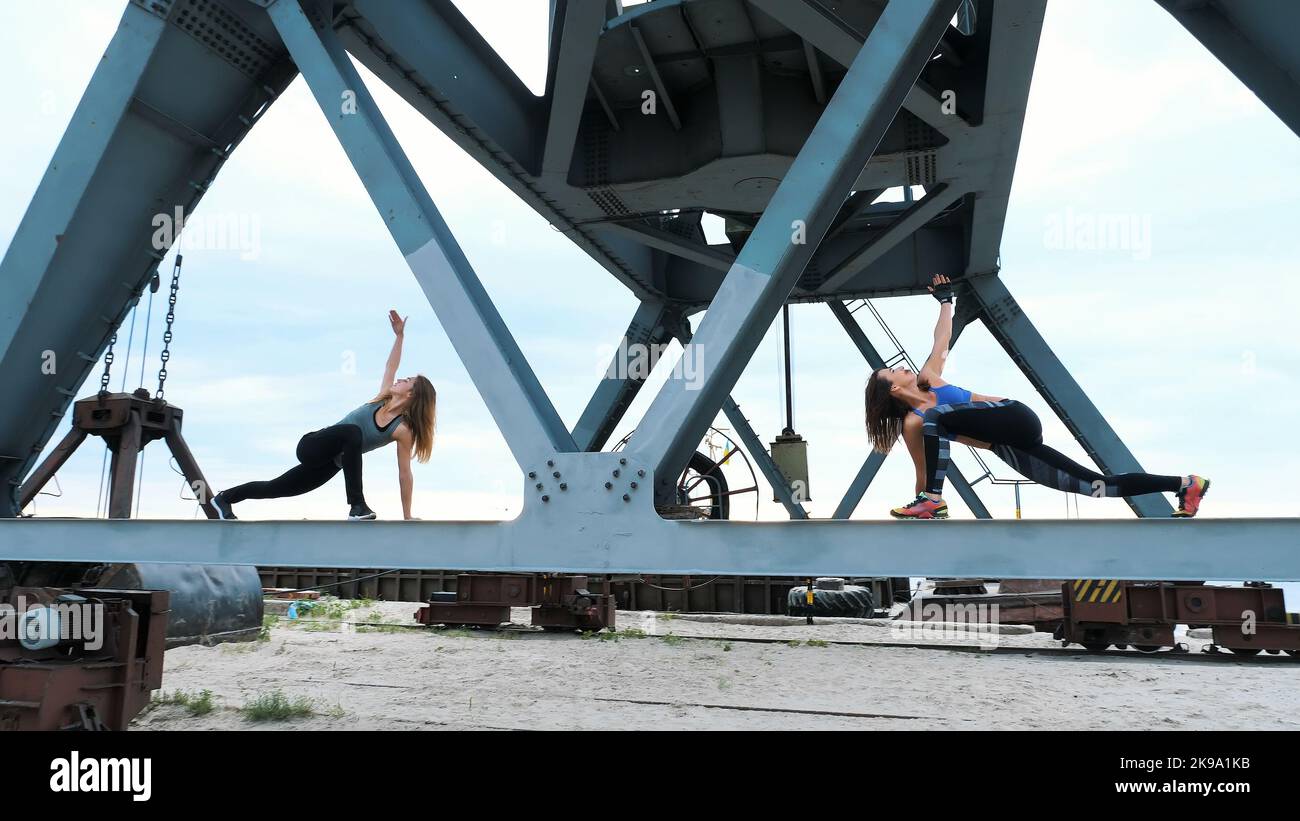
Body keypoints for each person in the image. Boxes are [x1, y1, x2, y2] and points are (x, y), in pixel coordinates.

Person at [864, 275, 1208, 519]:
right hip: (1011, 447)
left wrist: (945, 301)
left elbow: (942, 337)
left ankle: (934, 502)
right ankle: (1186, 484)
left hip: (1013, 416)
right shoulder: (914, 424)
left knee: (935, 418)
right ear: (892, 388)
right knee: (1095, 486)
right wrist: (919, 497)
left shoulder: (929, 380)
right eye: (894, 372)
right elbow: (924, 468)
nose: (903, 369)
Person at [212, 310, 436, 521]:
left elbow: (405, 473)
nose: (400, 379)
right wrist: (399, 336)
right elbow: (391, 366)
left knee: (275, 488)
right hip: (312, 445)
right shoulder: (382, 398)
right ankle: (357, 505)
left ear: (412, 395)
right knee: (352, 433)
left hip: (329, 465)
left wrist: (407, 516)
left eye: (407, 381)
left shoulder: (401, 430)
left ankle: (224, 498)